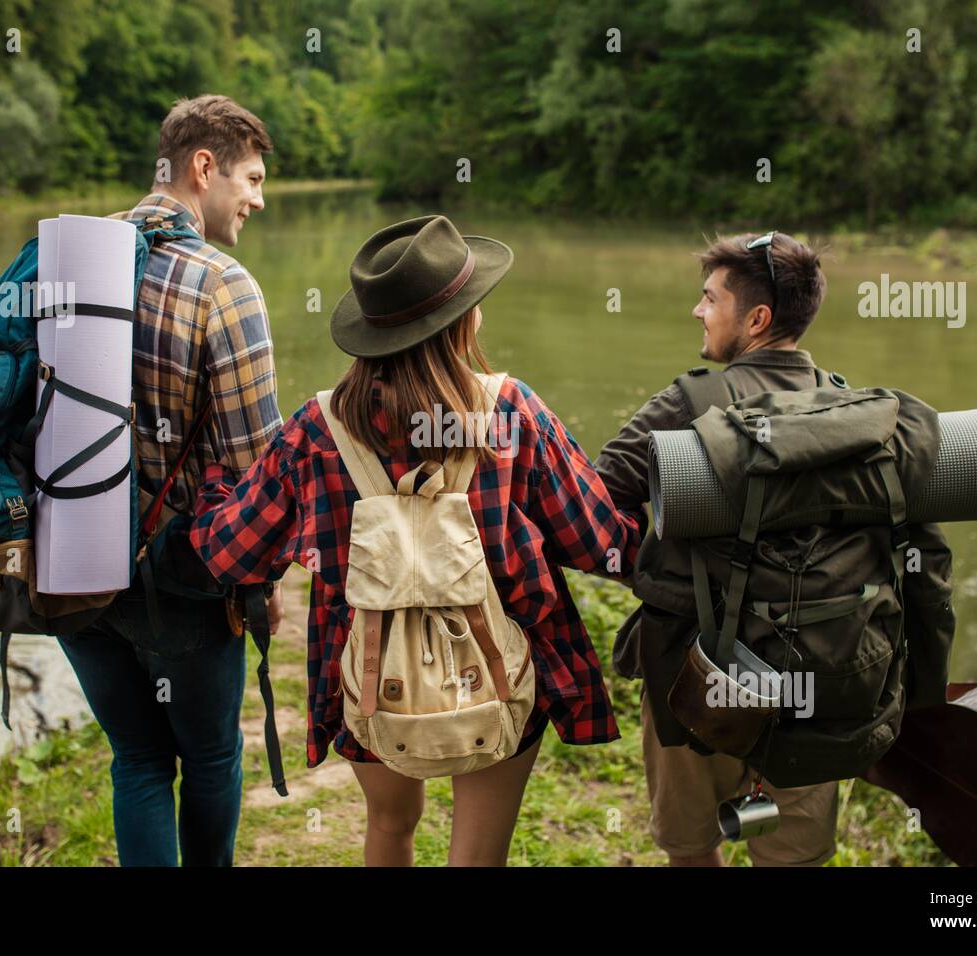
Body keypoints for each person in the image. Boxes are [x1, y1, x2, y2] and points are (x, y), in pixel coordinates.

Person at [189, 214, 641, 866]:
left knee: (390, 827)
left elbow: (228, 553)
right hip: (500, 674)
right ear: (462, 320)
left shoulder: (316, 429)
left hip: (371, 683)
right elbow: (601, 545)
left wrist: (208, 485)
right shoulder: (512, 412)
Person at [595, 231, 956, 867]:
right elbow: (925, 570)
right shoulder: (868, 417)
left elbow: (594, 506)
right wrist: (921, 698)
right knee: (795, 859)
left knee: (692, 850)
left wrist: (652, 575)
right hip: (827, 682)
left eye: (710, 299)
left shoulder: (690, 404)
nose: (697, 311)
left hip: (696, 680)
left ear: (756, 319)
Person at [55, 95, 284, 866]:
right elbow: (259, 464)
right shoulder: (224, 284)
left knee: (139, 760)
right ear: (203, 166)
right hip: (180, 581)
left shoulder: (67, 258)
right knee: (212, 759)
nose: (258, 197)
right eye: (250, 178)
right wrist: (267, 585)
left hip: (67, 567)